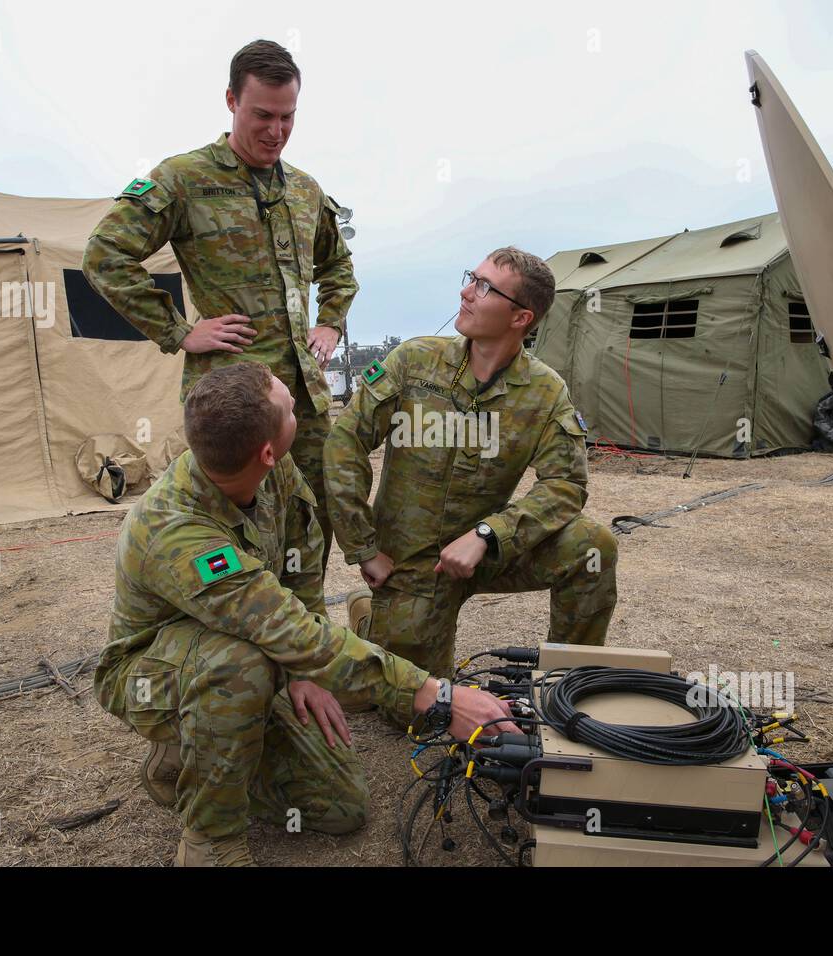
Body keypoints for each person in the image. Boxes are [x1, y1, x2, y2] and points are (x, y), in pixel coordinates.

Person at [93, 362, 516, 867]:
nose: (298, 402)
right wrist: (437, 696)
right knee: (236, 666)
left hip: (248, 648)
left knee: (342, 808)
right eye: (289, 407)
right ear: (266, 450)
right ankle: (210, 840)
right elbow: (288, 628)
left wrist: (300, 669)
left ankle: (189, 758)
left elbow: (299, 570)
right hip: (154, 672)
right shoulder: (175, 529)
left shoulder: (272, 471)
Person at [82, 38, 350, 567]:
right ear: (231, 101)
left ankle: (305, 632)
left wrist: (331, 324)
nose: (276, 132)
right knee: (232, 530)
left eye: (288, 116)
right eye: (263, 115)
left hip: (306, 404)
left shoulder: (304, 190)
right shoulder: (184, 179)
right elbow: (105, 255)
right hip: (234, 402)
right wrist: (179, 330)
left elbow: (337, 264)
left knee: (310, 526)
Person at [325, 247, 617, 679]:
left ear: (521, 317)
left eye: (484, 287)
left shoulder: (544, 391)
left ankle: (569, 684)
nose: (466, 292)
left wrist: (488, 534)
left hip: (490, 551)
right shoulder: (415, 362)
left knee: (593, 546)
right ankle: (371, 617)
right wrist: (364, 547)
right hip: (412, 564)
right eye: (471, 278)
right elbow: (345, 443)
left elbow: (566, 485)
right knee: (420, 707)